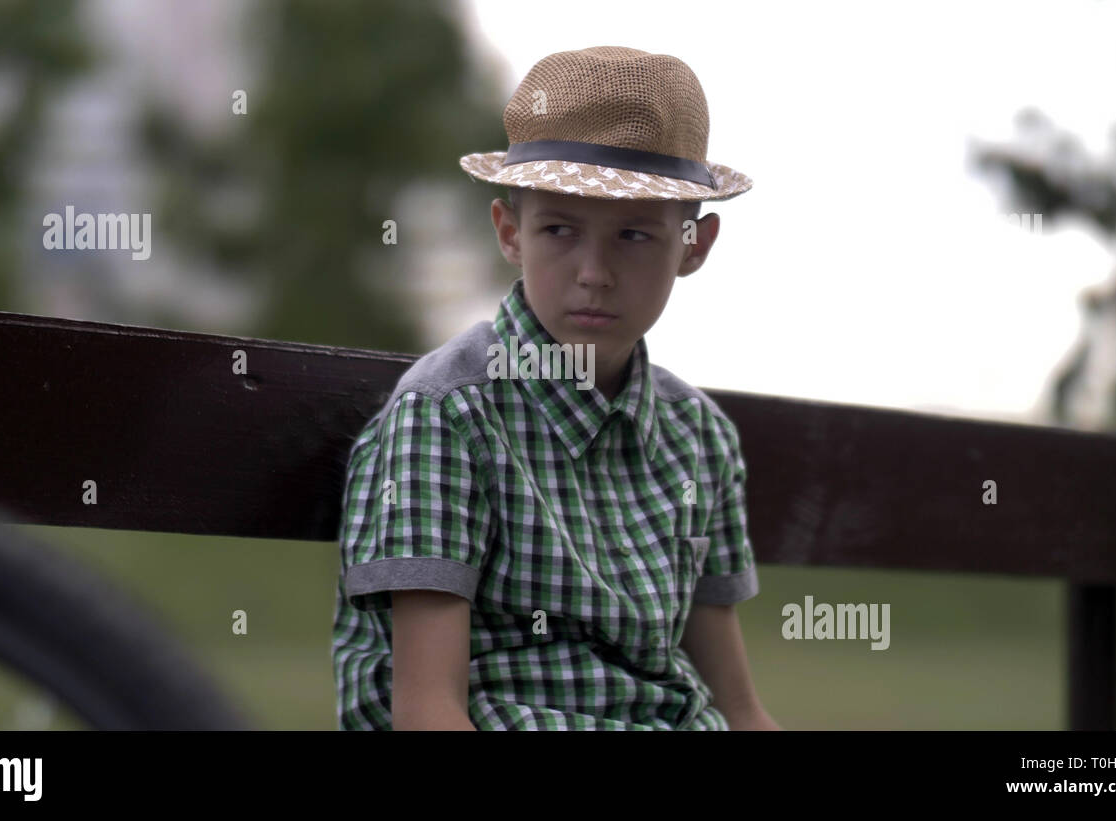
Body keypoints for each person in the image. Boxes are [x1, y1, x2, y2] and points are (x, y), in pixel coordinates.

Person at [332, 45, 781, 730]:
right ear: (510, 231)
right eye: (560, 230)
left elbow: (740, 708)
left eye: (633, 235)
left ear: (695, 244)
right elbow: (427, 710)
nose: (594, 272)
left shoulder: (698, 435)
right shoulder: (446, 418)